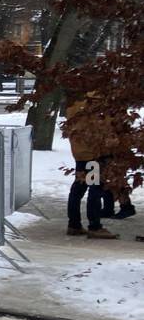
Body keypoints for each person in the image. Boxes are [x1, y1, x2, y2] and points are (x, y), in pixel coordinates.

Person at [64, 90, 117, 239]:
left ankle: (74, 224)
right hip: (94, 156)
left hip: (81, 154)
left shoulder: (74, 106)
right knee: (95, 190)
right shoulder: (97, 110)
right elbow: (105, 132)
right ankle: (94, 226)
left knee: (78, 190)